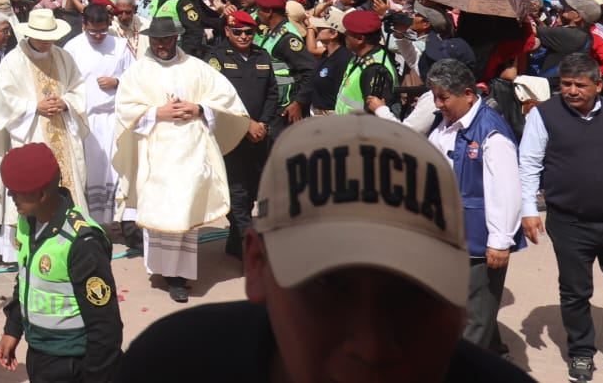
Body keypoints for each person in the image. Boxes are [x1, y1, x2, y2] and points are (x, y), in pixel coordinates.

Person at [118, 115, 532, 382]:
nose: (373, 346)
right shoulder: (174, 366)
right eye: (330, 288)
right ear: (258, 265)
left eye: (414, 293)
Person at [520, 51, 603, 383]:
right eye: (565, 84)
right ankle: (581, 352)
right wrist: (528, 211)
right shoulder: (544, 116)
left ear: (598, 84)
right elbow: (529, 166)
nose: (571, 91)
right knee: (575, 291)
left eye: (579, 85)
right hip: (569, 223)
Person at [113, 15, 249, 302]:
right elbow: (124, 109)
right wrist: (156, 113)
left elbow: (225, 98)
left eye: (166, 39)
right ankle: (166, 271)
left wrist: (199, 108)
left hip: (191, 153)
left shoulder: (196, 68)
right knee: (162, 212)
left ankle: (182, 274)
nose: (161, 45)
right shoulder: (138, 72)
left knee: (185, 212)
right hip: (156, 154)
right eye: (156, 40)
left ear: (176, 38)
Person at [0, 142, 122, 383]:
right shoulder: (27, 221)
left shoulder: (82, 243)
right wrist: (13, 329)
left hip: (74, 363)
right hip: (41, 353)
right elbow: (25, 278)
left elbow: (105, 327)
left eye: (16, 192)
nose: (11, 197)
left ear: (41, 195)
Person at [423, 58, 523, 360]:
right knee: (466, 303)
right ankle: (495, 353)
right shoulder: (445, 125)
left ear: (468, 94)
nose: (438, 104)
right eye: (436, 97)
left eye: (444, 97)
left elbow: (506, 190)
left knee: (473, 317)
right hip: (451, 232)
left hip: (480, 240)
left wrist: (500, 241)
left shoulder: (491, 132)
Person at [0, 8, 88, 262]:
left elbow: (78, 88)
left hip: (62, 132)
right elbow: (1, 100)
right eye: (40, 36)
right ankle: (29, 253)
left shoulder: (63, 57)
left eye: (49, 37)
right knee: (33, 190)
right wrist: (33, 107)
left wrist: (66, 102)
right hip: (29, 135)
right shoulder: (14, 61)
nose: (45, 42)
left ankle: (70, 248)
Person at [206, 10, 278, 259]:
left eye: (249, 32)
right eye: (238, 32)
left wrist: (263, 125)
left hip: (259, 136)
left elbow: (272, 94)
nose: (245, 36)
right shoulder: (216, 58)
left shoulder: (262, 56)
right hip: (230, 137)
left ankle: (235, 243)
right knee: (236, 192)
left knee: (250, 192)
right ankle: (251, 250)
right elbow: (215, 100)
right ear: (227, 31)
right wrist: (245, 124)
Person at [61, 2, 131, 224]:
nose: (99, 36)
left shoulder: (120, 46)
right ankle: (88, 219)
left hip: (112, 118)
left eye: (102, 31)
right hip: (85, 121)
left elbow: (136, 77)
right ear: (83, 25)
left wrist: (117, 81)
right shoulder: (72, 48)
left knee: (114, 169)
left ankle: (117, 219)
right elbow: (64, 83)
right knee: (88, 170)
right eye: (93, 31)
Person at [251, 0, 313, 125]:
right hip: (271, 101)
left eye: (259, 10)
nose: (256, 13)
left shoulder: (287, 39)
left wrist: (298, 102)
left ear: (269, 12)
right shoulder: (272, 32)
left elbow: (310, 71)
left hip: (284, 106)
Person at [337, 9, 400, 118]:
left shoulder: (375, 69)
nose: (345, 35)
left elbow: (375, 115)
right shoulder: (359, 57)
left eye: (348, 33)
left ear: (360, 39)